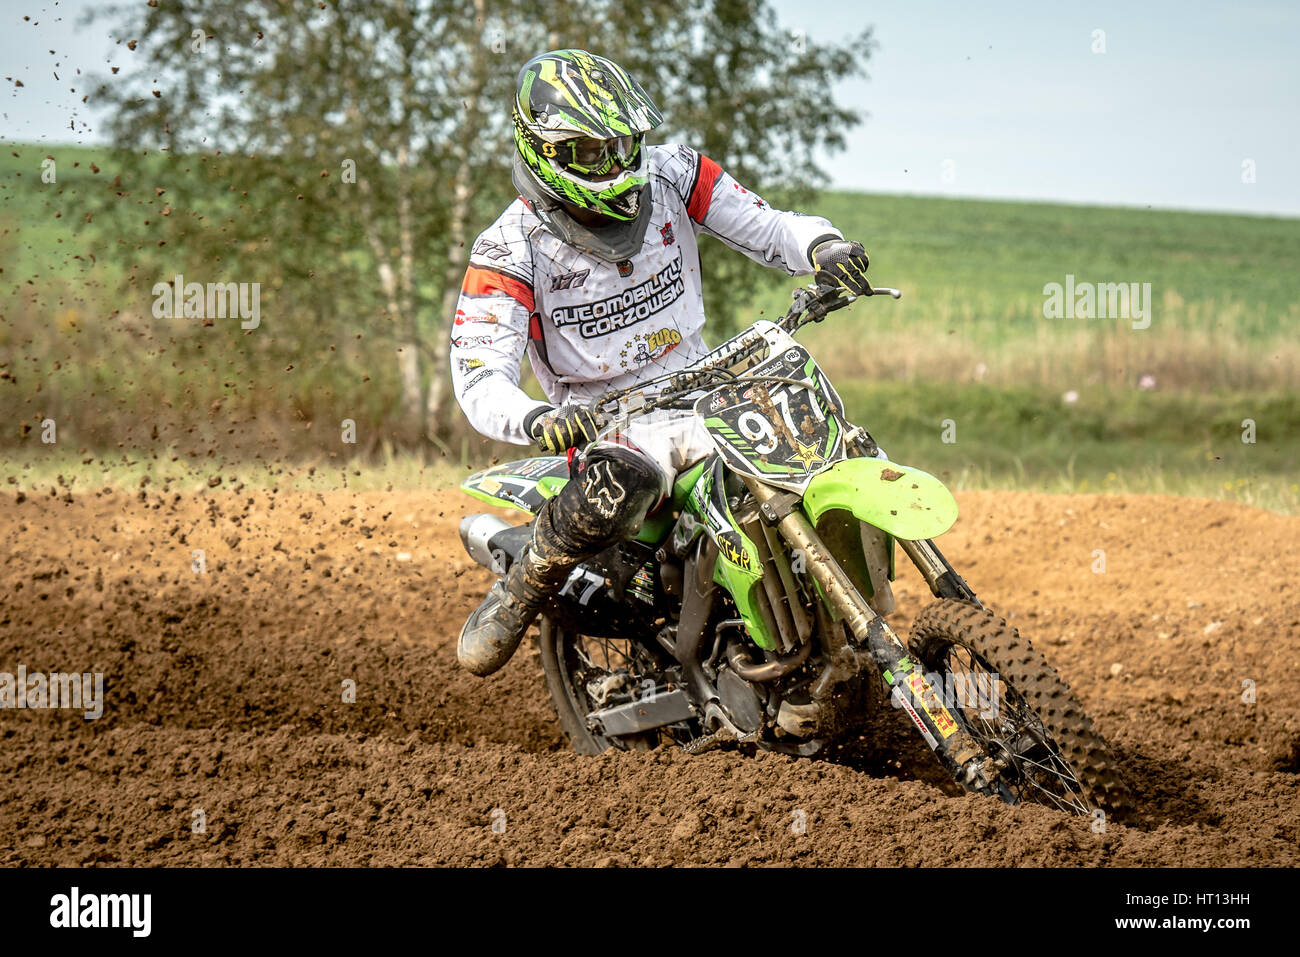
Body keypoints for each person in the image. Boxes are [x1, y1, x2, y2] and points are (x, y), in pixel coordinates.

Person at [450, 49, 872, 676]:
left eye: (624, 144)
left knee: (826, 441)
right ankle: (523, 588)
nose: (618, 164)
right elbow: (480, 376)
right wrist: (538, 420)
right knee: (628, 483)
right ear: (547, 151)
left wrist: (822, 246)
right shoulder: (508, 249)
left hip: (710, 383)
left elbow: (767, 225)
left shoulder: (674, 173)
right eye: (595, 153)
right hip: (609, 424)